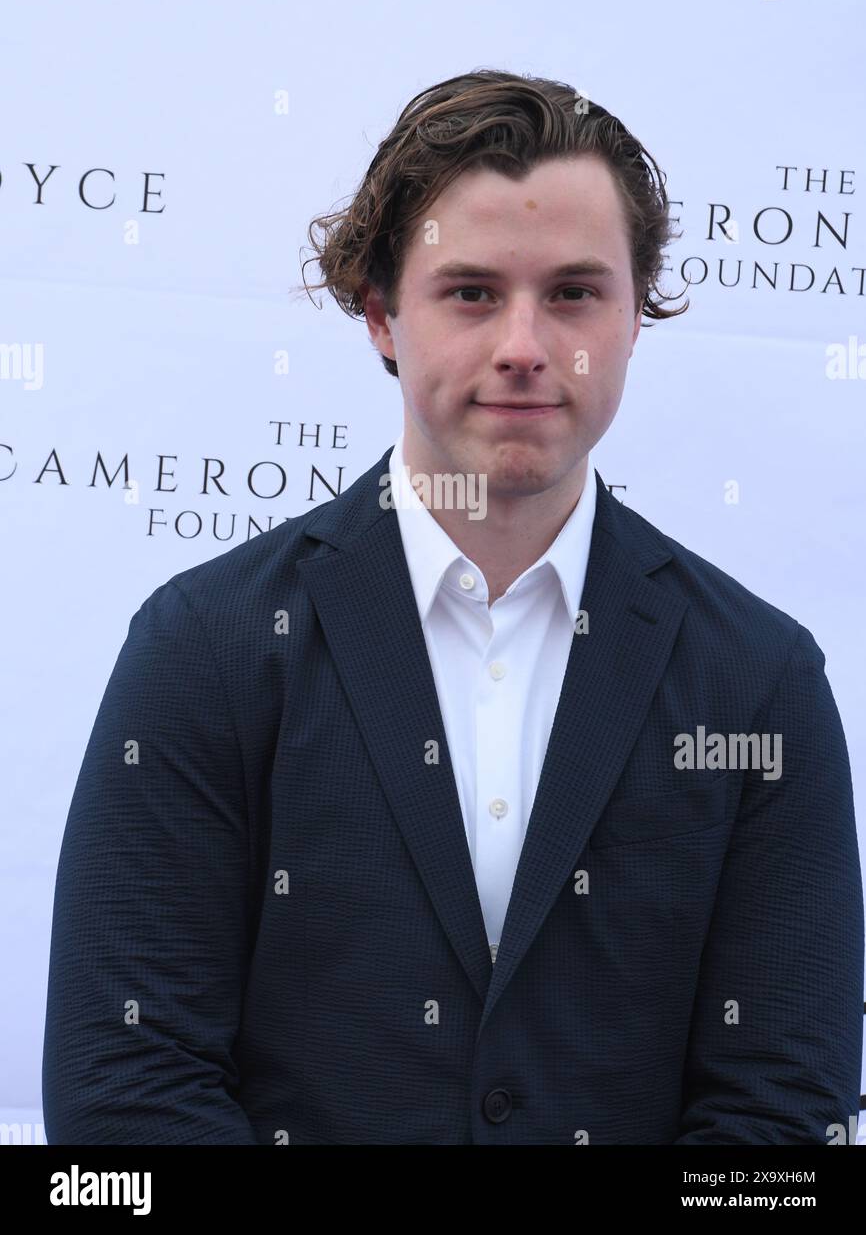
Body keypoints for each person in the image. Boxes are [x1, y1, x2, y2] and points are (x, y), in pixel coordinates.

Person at [43, 69, 863, 1144]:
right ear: (383, 316)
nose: (524, 345)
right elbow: (126, 1086)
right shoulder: (207, 646)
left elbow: (779, 1114)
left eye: (572, 292)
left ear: (631, 317)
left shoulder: (756, 681)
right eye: (471, 292)